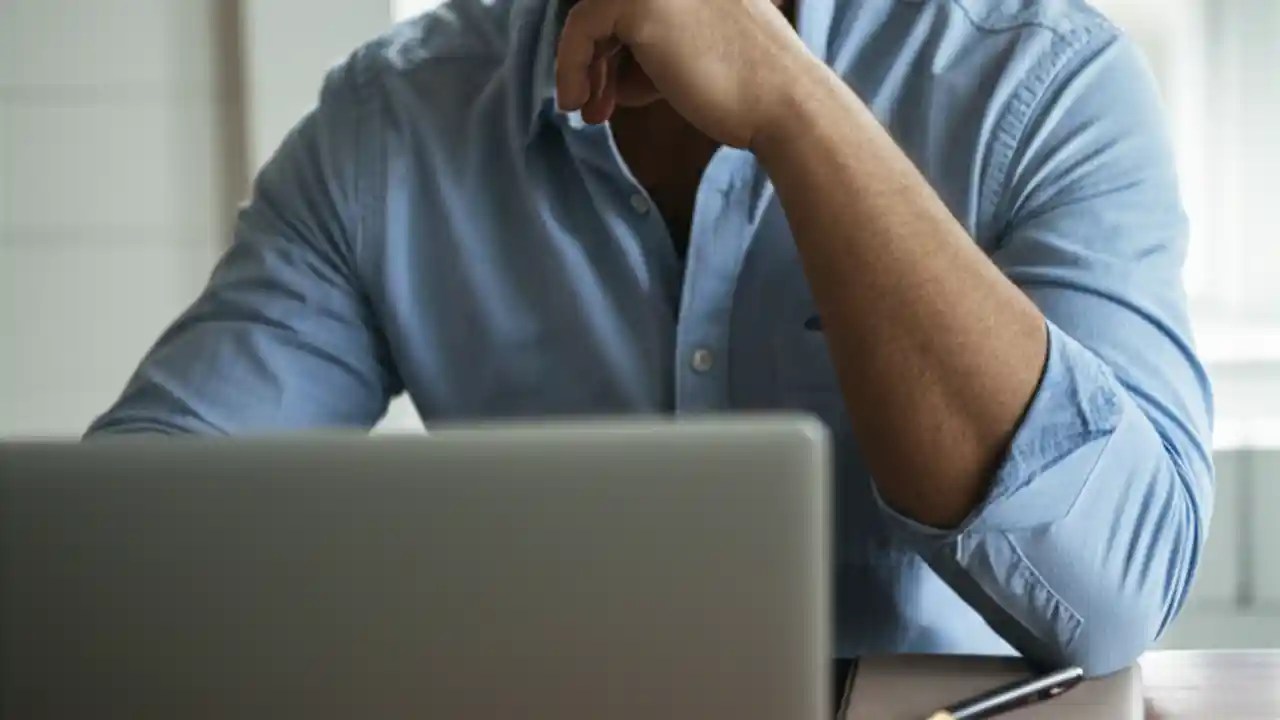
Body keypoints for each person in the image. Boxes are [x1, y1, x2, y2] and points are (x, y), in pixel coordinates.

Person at [89, 0, 1214, 676]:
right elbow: (124, 556)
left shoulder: (1039, 75)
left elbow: (1110, 598)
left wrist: (788, 103)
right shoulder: (390, 125)